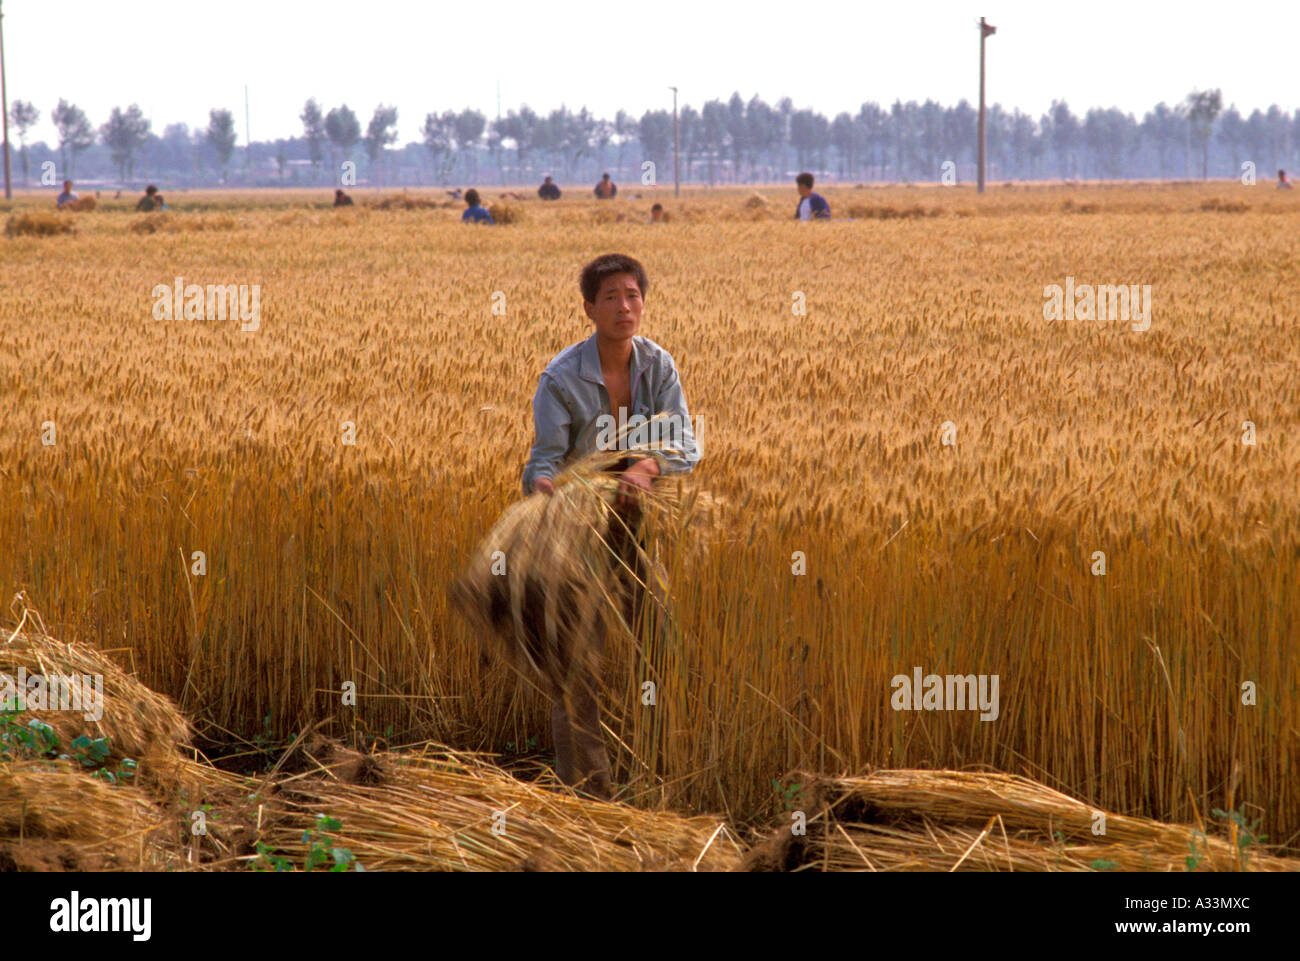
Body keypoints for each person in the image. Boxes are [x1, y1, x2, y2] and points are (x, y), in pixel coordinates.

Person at [521, 253, 700, 798]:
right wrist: (543, 490)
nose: (625, 307)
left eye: (633, 295)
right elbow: (544, 459)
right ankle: (591, 793)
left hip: (641, 526)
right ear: (589, 309)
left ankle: (664, 777)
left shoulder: (658, 365)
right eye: (611, 298)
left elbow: (684, 443)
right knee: (577, 662)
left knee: (659, 647)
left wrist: (648, 467)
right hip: (578, 531)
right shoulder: (561, 378)